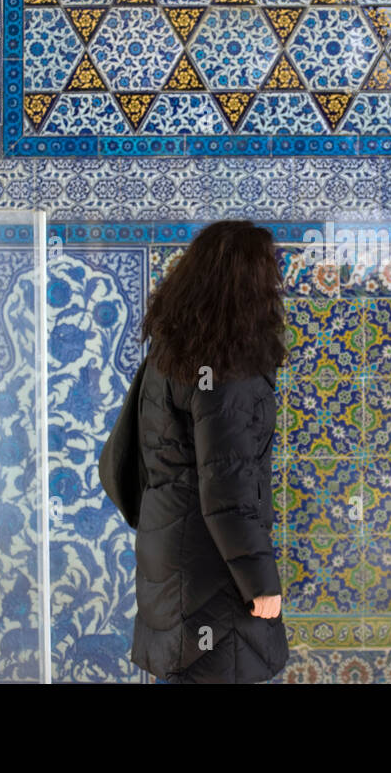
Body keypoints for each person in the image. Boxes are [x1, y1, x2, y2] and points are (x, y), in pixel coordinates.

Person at [128, 220, 288, 684]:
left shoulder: (169, 351)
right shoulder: (226, 365)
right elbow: (228, 488)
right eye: (268, 273)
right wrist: (259, 582)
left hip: (170, 552)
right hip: (212, 571)